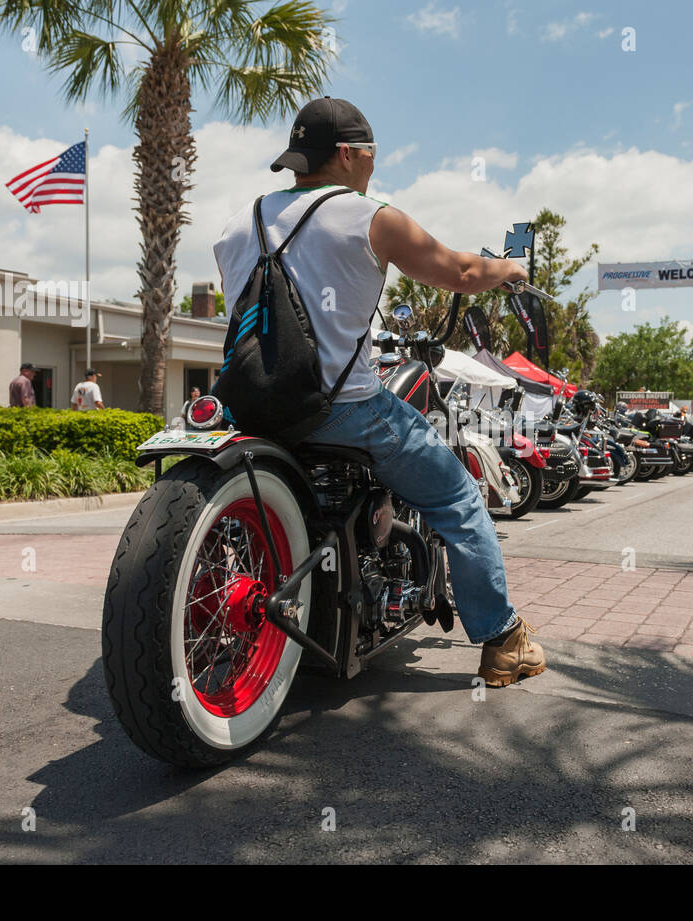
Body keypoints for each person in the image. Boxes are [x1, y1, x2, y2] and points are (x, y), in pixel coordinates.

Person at [213, 96, 543, 688]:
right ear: (347, 154)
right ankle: (502, 639)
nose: (372, 166)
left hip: (250, 407)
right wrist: (513, 270)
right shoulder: (369, 215)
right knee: (458, 496)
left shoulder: (241, 222)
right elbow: (461, 271)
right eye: (370, 154)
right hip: (343, 410)